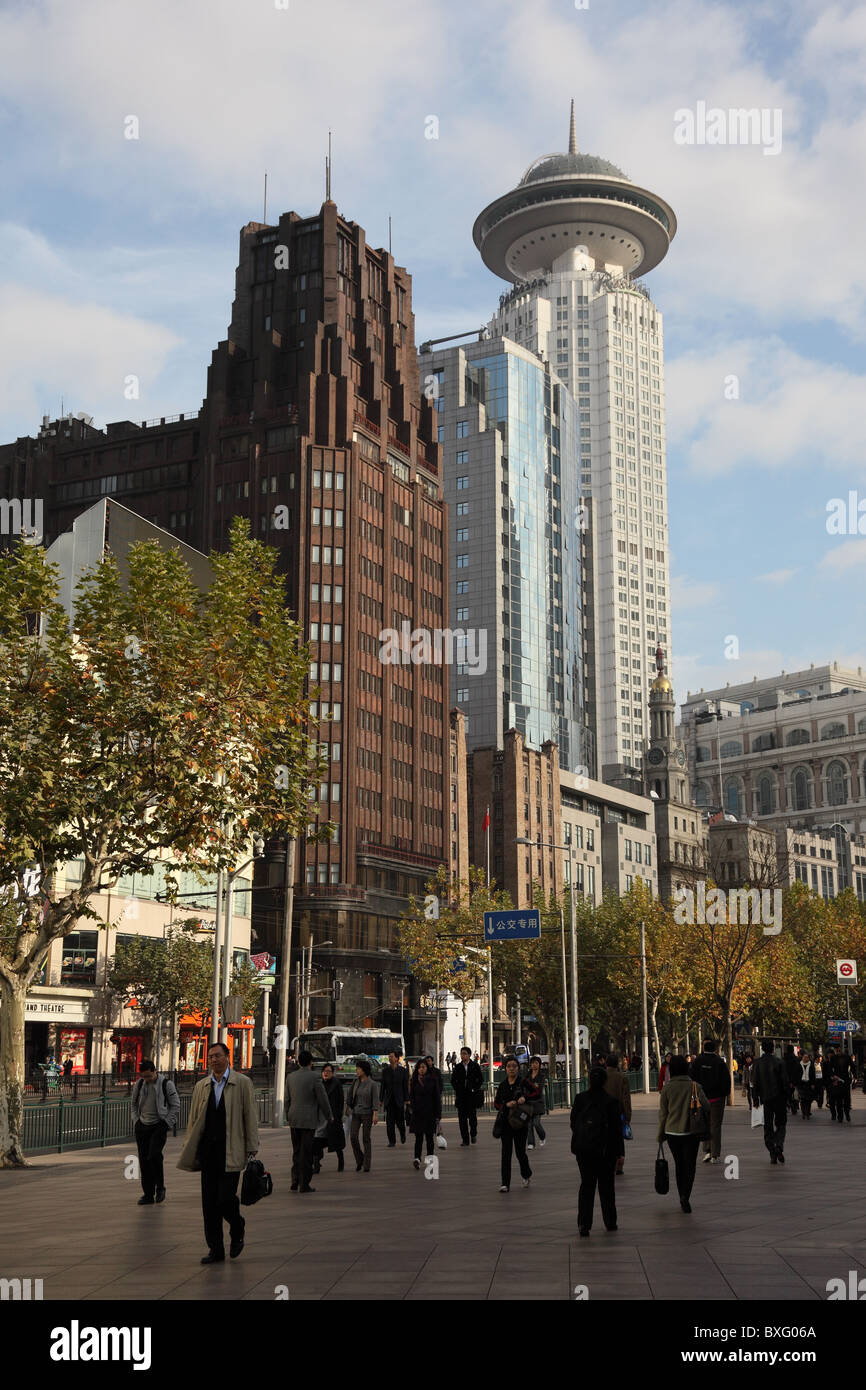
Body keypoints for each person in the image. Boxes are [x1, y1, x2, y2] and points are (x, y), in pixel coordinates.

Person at [177, 1041, 259, 1263]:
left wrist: (252, 1147)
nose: (213, 1059)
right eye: (210, 1056)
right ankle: (215, 1249)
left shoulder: (242, 1083)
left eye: (217, 1055)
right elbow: (193, 1120)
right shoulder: (202, 1086)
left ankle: (237, 1225)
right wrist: (189, 1147)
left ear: (227, 1056)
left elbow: (250, 1116)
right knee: (209, 1203)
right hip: (208, 1152)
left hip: (231, 1151)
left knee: (225, 1199)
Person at [570, 1065, 621, 1235]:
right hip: (606, 1151)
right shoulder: (612, 1102)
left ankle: (584, 1224)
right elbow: (616, 1130)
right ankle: (610, 1221)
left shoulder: (580, 1099)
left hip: (584, 1150)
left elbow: (574, 1124)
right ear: (605, 1081)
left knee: (587, 1186)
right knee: (607, 1187)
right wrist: (620, 1153)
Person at [657, 1054, 709, 1213]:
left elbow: (663, 1114)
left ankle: (681, 1193)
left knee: (679, 1165)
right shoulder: (695, 1086)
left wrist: (660, 1135)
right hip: (691, 1132)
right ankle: (685, 1195)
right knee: (690, 1165)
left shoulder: (667, 1088)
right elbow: (706, 1107)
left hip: (672, 1132)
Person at [131, 1059, 180, 1206]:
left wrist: (166, 1123)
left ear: (155, 1071)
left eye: (148, 1076)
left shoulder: (166, 1084)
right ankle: (147, 1194)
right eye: (143, 1077)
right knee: (144, 1160)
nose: (146, 1079)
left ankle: (160, 1187)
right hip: (142, 1126)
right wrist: (136, 1121)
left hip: (159, 1125)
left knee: (154, 1156)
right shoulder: (139, 1084)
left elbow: (175, 1105)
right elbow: (133, 1104)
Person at [287, 1049, 333, 1193]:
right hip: (308, 1119)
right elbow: (323, 1098)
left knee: (296, 1150)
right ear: (311, 1062)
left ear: (299, 1062)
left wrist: (288, 1115)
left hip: (294, 1118)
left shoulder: (290, 1077)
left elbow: (287, 1099)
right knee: (306, 1152)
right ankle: (304, 1183)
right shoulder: (314, 1077)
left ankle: (294, 1180)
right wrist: (329, 1115)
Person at [493, 1056, 538, 1192]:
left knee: (520, 1152)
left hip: (520, 1123)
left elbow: (536, 1092)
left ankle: (526, 1174)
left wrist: (525, 1098)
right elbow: (496, 1103)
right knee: (506, 1153)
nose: (511, 1068)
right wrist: (506, 1105)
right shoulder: (502, 1085)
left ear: (518, 1068)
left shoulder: (523, 1082)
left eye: (514, 1066)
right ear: (505, 1068)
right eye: (509, 1066)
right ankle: (505, 1183)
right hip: (506, 1122)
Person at [689, 1040, 731, 1165]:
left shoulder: (698, 1061)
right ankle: (715, 1154)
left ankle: (706, 1150)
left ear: (704, 1048)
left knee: (704, 1124)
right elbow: (726, 1080)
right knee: (715, 1125)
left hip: (701, 1098)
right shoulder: (719, 1062)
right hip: (717, 1099)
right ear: (715, 1049)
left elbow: (692, 1078)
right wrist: (724, 1094)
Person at [752, 1039, 788, 1164]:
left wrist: (755, 1099)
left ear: (762, 1048)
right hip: (779, 1099)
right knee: (781, 1124)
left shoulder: (757, 1063)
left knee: (767, 1127)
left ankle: (772, 1151)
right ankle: (779, 1145)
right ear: (773, 1049)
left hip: (765, 1099)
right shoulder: (779, 1062)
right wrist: (787, 1099)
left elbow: (754, 1083)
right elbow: (785, 1083)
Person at [312, 1063, 346, 1174]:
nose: (326, 1073)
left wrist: (337, 1116)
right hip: (320, 1118)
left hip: (333, 1118)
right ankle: (316, 1165)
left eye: (328, 1071)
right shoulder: (319, 1083)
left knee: (336, 1143)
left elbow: (340, 1101)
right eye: (324, 1071)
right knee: (317, 1142)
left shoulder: (336, 1084)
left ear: (332, 1073)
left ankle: (341, 1162)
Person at [346, 1059, 379, 1171]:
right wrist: (348, 1108)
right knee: (353, 1137)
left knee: (366, 1138)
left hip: (367, 1114)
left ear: (364, 1070)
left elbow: (375, 1100)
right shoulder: (356, 1082)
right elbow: (350, 1096)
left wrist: (375, 1114)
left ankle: (367, 1164)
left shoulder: (372, 1084)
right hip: (355, 1113)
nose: (357, 1070)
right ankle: (360, 1159)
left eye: (358, 1068)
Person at [408, 1060, 442, 1169]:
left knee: (429, 1138)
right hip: (418, 1113)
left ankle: (430, 1159)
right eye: (419, 1067)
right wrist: (412, 1108)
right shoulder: (414, 1081)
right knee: (418, 1138)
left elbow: (437, 1098)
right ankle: (417, 1158)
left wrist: (438, 1114)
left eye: (423, 1067)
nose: (421, 1069)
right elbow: (411, 1097)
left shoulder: (433, 1080)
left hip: (430, 1113)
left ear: (427, 1068)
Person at [603, 1052, 630, 1175]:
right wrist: (628, 1116)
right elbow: (625, 1098)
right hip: (617, 1112)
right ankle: (619, 1164)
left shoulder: (601, 1075)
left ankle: (607, 1162)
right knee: (618, 1139)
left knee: (605, 1139)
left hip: (602, 1113)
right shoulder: (622, 1077)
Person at [451, 1046, 482, 1146]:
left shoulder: (475, 1066)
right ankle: (465, 1140)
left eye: (465, 1053)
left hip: (472, 1096)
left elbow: (480, 1079)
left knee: (472, 1118)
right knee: (462, 1120)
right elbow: (453, 1081)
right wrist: (458, 1088)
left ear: (469, 1055)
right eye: (461, 1053)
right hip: (461, 1097)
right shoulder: (458, 1067)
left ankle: (473, 1133)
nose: (463, 1055)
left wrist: (474, 1088)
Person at [379, 1050, 410, 1147]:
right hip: (389, 1100)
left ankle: (402, 1134)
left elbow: (405, 1086)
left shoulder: (403, 1071)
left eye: (391, 1056)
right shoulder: (385, 1071)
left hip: (399, 1100)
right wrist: (381, 1099)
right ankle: (392, 1141)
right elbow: (383, 1086)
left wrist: (407, 1099)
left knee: (400, 1121)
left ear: (396, 1058)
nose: (390, 1058)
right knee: (389, 1123)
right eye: (389, 1056)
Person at [525, 1055, 548, 1150]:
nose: (534, 1065)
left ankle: (542, 1136)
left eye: (536, 1063)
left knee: (536, 1123)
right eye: (532, 1063)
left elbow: (539, 1089)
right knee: (529, 1124)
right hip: (528, 1103)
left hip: (538, 1103)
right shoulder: (527, 1076)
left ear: (539, 1065)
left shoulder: (541, 1076)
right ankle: (531, 1143)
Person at [827, 1046, 855, 1123]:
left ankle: (847, 1114)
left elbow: (853, 1067)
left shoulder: (847, 1057)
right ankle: (840, 1116)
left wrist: (854, 1076)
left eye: (840, 1050)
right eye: (838, 1050)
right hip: (837, 1080)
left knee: (847, 1099)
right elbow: (829, 1069)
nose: (839, 1052)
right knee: (838, 1100)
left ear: (843, 1051)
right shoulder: (833, 1058)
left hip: (845, 1080)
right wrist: (833, 1076)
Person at [796, 1052, 816, 1119]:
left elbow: (813, 1075)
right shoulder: (799, 1064)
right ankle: (803, 1113)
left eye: (807, 1057)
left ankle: (807, 1113)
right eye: (804, 1057)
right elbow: (797, 1074)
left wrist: (813, 1083)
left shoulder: (811, 1065)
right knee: (802, 1100)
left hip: (809, 1084)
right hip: (801, 1084)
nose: (806, 1058)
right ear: (802, 1058)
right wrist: (797, 1083)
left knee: (808, 1100)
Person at [783, 1045, 800, 1115]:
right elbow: (797, 1070)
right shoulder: (796, 1059)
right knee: (795, 1094)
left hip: (786, 1080)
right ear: (793, 1050)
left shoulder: (784, 1059)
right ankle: (794, 1108)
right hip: (795, 1080)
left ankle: (788, 1105)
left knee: (788, 1094)